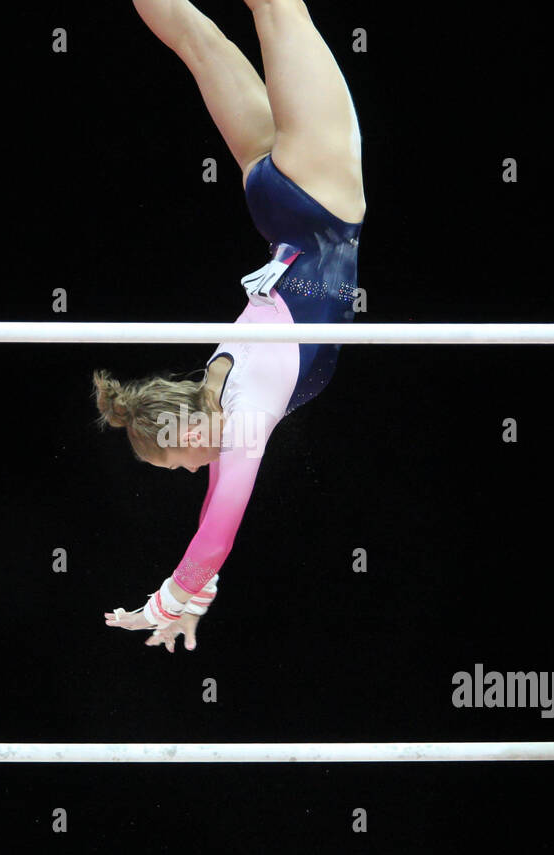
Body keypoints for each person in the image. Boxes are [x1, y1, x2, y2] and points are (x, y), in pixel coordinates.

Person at [97, 0, 365, 651]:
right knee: (197, 33)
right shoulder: (222, 388)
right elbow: (218, 504)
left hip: (320, 194)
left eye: (177, 461)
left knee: (277, 6)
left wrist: (165, 603)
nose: (192, 472)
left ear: (187, 426)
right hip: (275, 197)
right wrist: (198, 597)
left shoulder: (238, 413)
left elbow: (217, 527)